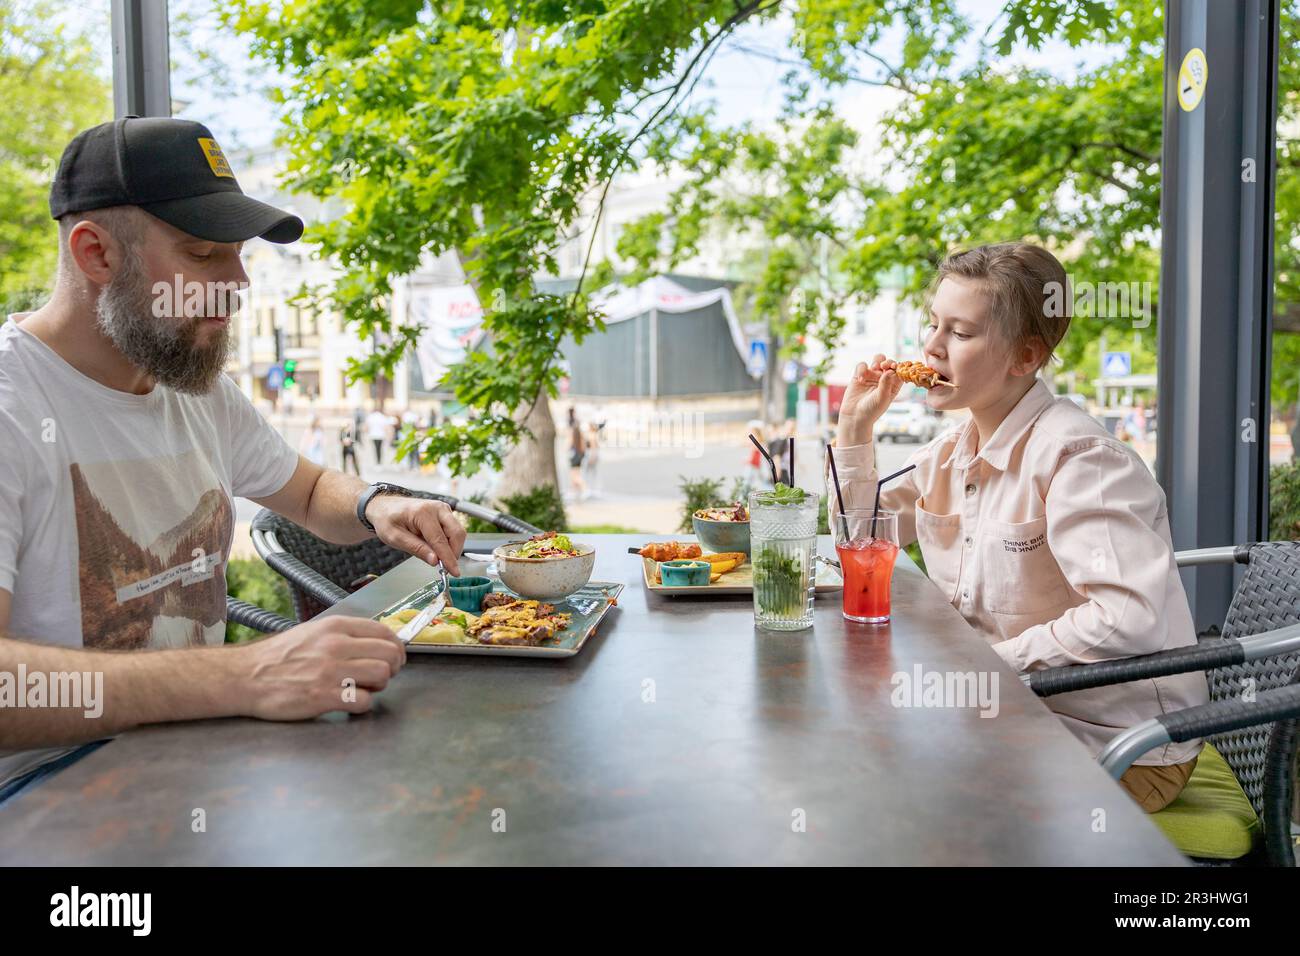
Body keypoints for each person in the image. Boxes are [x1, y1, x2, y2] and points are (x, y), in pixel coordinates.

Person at [0, 117, 467, 798]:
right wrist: (247, 674)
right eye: (202, 254)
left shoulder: (197, 391)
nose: (238, 283)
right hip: (44, 797)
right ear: (95, 253)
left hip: (197, 763)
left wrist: (377, 505)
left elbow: (308, 494)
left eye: (239, 254)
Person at [829, 242, 1208, 814]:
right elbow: (860, 541)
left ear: (1025, 356)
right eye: (933, 324)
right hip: (1010, 706)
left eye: (959, 332)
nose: (930, 347)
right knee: (853, 741)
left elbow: (1128, 621)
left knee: (891, 787)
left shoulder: (1082, 460)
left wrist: (981, 664)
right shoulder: (951, 451)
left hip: (1119, 745)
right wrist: (854, 429)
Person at [566, 406, 587, 501]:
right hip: (579, 454)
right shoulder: (580, 433)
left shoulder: (572, 431)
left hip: (574, 454)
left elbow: (569, 443)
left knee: (574, 475)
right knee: (576, 474)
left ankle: (584, 489)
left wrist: (566, 450)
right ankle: (575, 492)